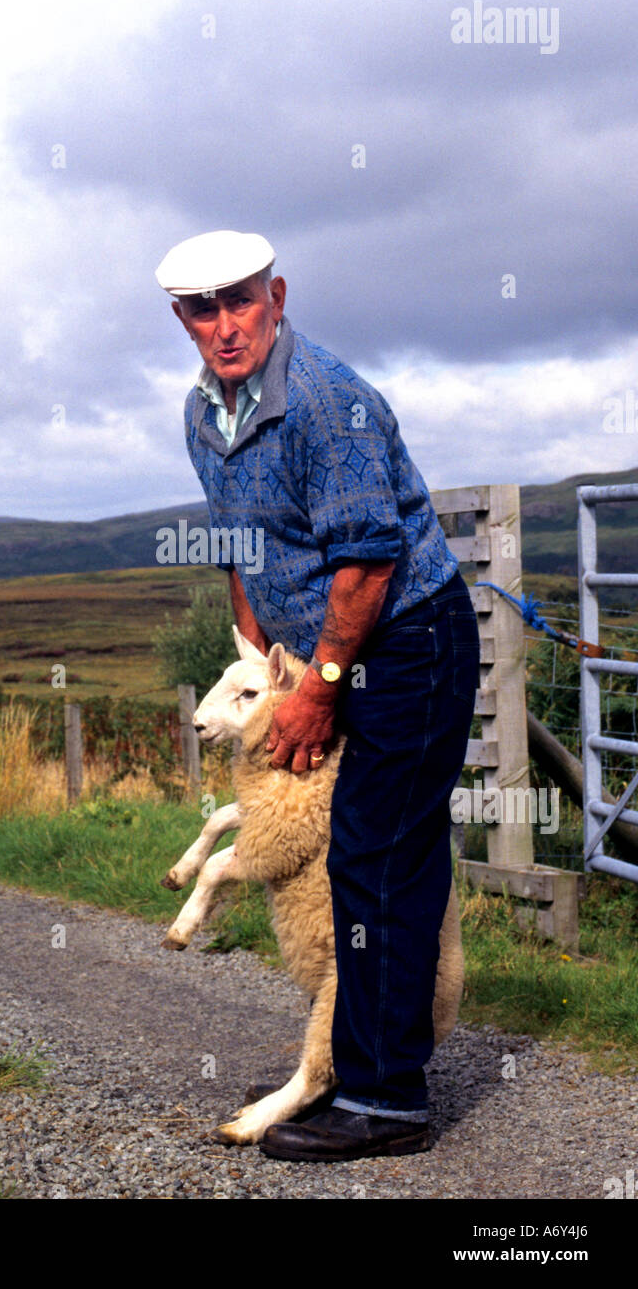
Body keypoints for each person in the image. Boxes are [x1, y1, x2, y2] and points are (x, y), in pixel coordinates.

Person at [155, 230, 480, 1162]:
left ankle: (387, 1100)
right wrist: (265, 662)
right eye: (203, 309)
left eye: (241, 300)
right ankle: (348, 1063)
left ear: (277, 295)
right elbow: (243, 547)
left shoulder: (327, 402)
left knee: (380, 851)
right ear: (181, 319)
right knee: (344, 856)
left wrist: (319, 691)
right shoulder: (203, 416)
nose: (225, 325)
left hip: (407, 638)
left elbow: (371, 562)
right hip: (322, 648)